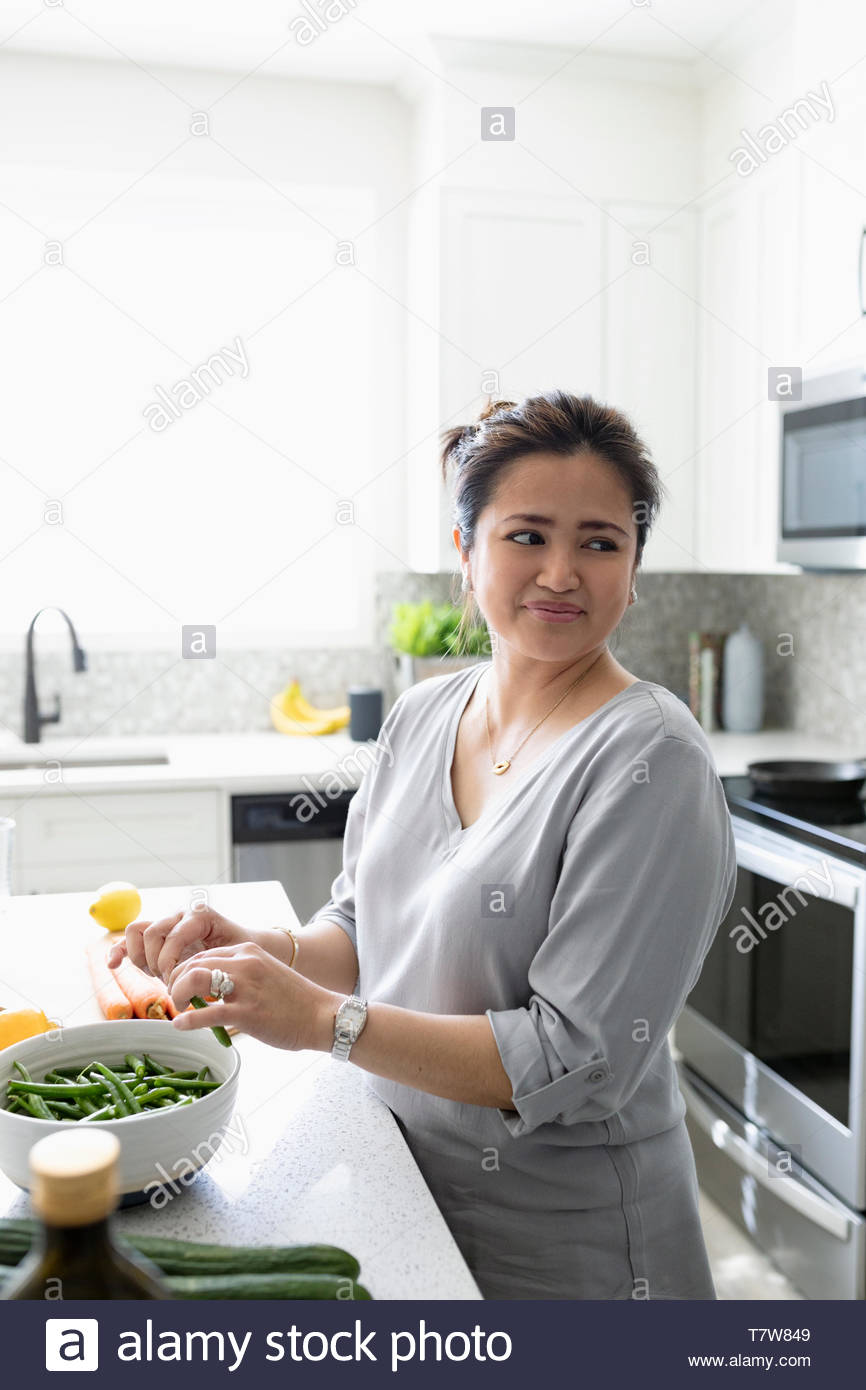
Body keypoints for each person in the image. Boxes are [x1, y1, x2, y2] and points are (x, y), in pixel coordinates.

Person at [109, 389, 737, 1300]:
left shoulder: (654, 761)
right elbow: (364, 931)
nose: (562, 572)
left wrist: (323, 1024)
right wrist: (253, 951)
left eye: (600, 542)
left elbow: (573, 1062)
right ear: (465, 550)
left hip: (576, 1256)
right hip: (406, 1194)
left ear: (634, 569)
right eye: (527, 535)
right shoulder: (422, 714)